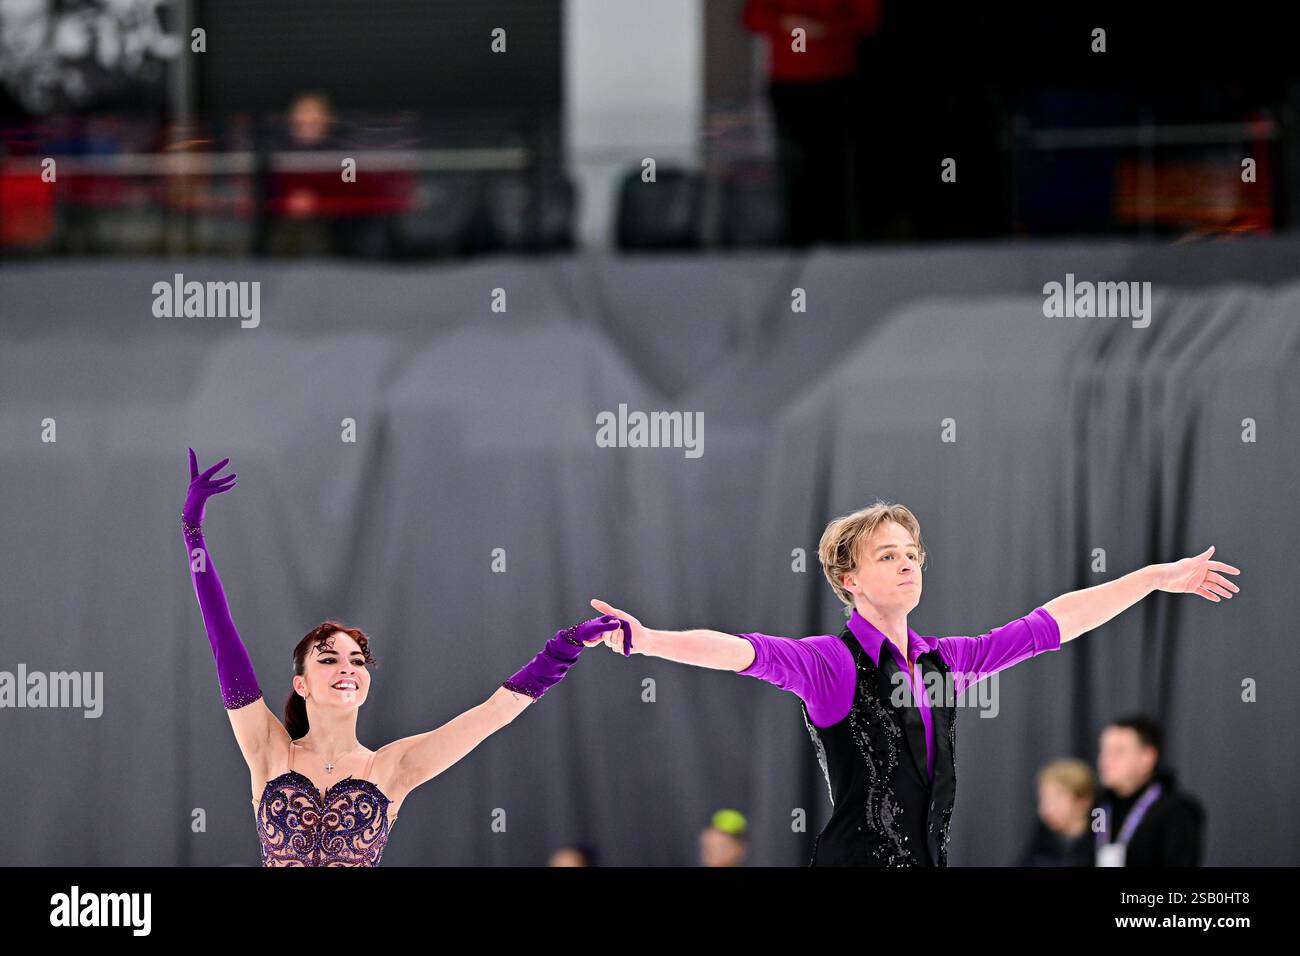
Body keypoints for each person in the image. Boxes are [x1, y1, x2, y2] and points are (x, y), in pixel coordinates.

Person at [586, 500, 1240, 866]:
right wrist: (647, 640)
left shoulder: (944, 662)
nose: (906, 565)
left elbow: (1054, 624)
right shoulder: (831, 664)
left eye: (911, 554)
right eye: (886, 556)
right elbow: (740, 652)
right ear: (848, 580)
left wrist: (1151, 578)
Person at [181, 448, 627, 866]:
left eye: (357, 660)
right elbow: (222, 637)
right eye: (329, 659)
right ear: (301, 683)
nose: (348, 669)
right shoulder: (269, 750)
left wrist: (565, 646)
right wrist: (193, 534)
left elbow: (495, 713)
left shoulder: (391, 767)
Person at [1093, 714, 1204, 867]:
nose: (1105, 760)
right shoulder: (1098, 807)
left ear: (1147, 757)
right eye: (1103, 750)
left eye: (1118, 751)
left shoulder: (1177, 812)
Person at [1018, 758, 1096, 866]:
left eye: (1056, 800)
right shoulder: (1042, 835)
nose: (1045, 809)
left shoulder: (1101, 839)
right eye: (1043, 800)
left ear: (1083, 802)